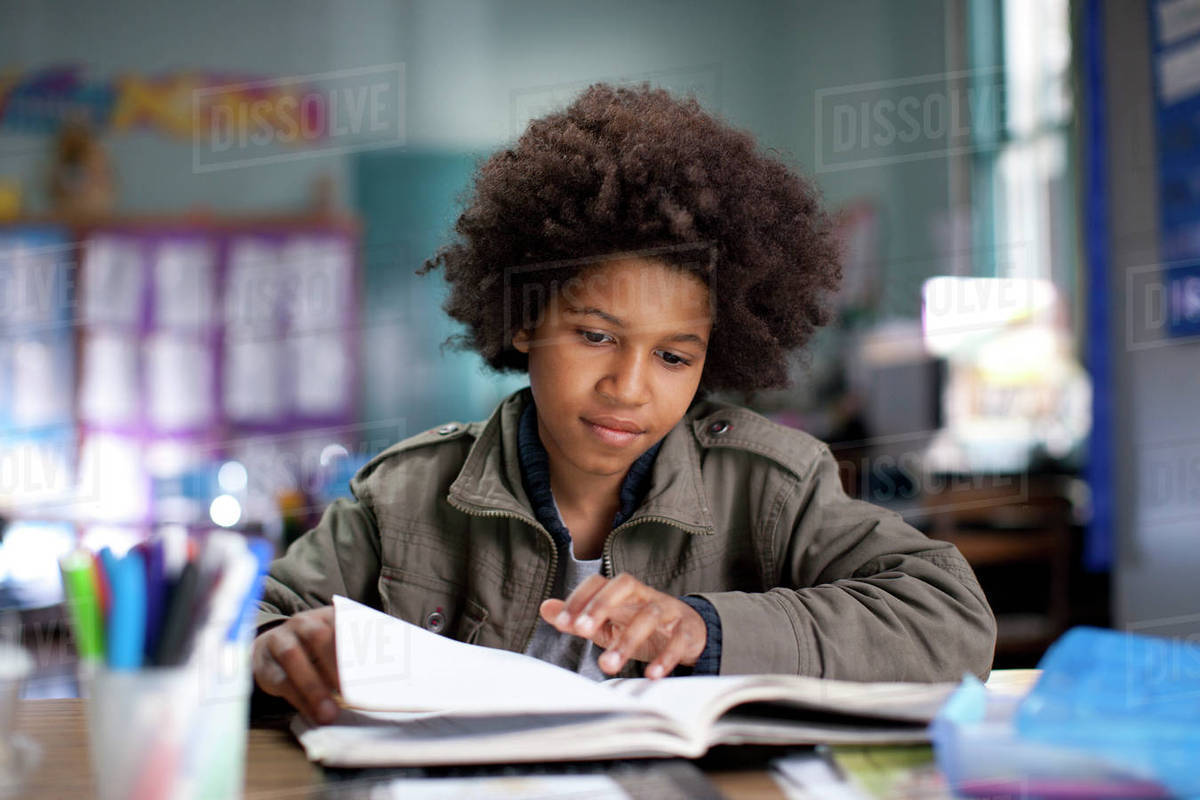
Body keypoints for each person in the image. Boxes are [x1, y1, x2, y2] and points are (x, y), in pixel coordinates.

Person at [252, 83, 996, 725]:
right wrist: (273, 650)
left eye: (674, 356)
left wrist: (704, 628)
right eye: (596, 336)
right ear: (523, 319)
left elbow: (951, 620)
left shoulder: (775, 484)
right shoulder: (401, 494)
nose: (631, 387)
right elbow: (252, 623)